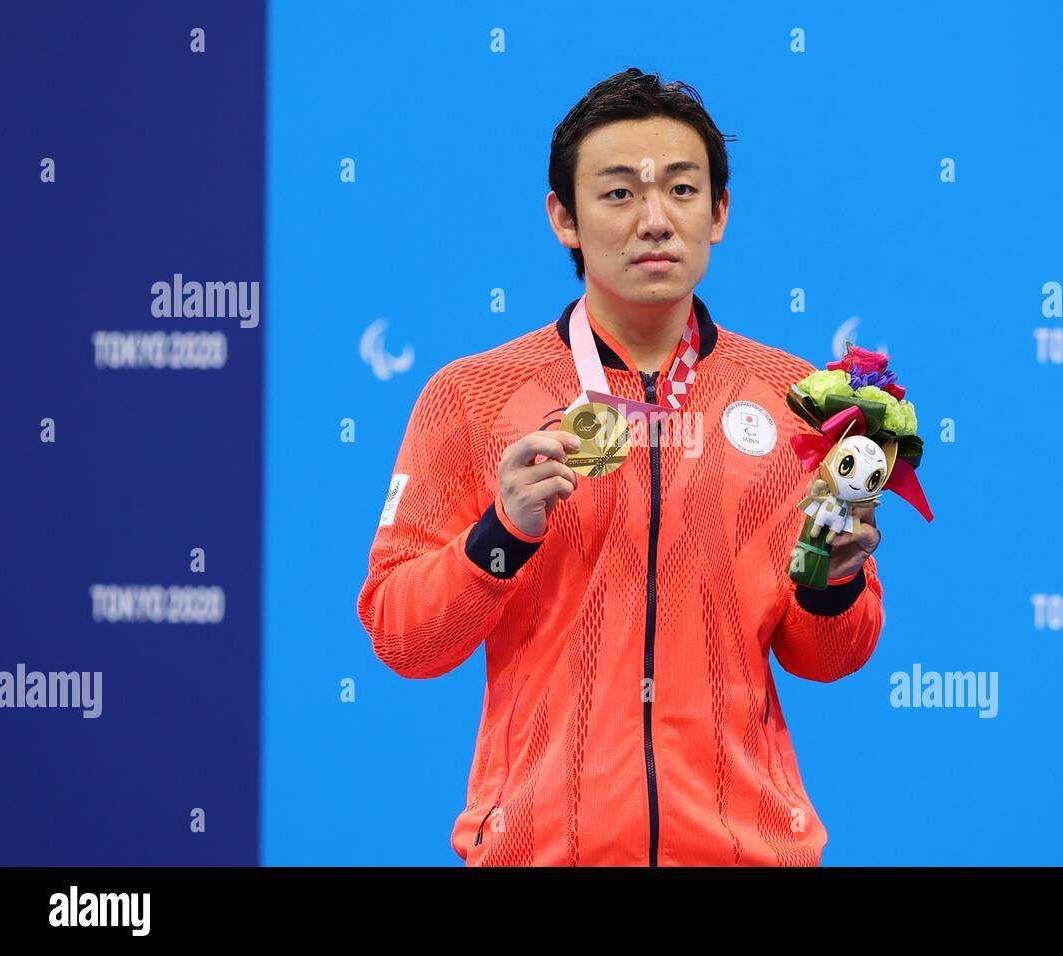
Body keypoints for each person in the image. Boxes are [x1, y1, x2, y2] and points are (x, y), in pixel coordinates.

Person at [357, 67, 884, 866]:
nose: (654, 221)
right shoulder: (470, 396)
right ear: (562, 219)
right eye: (617, 195)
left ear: (720, 214)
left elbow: (831, 657)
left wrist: (832, 584)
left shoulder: (795, 401)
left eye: (680, 189)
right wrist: (497, 539)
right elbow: (402, 638)